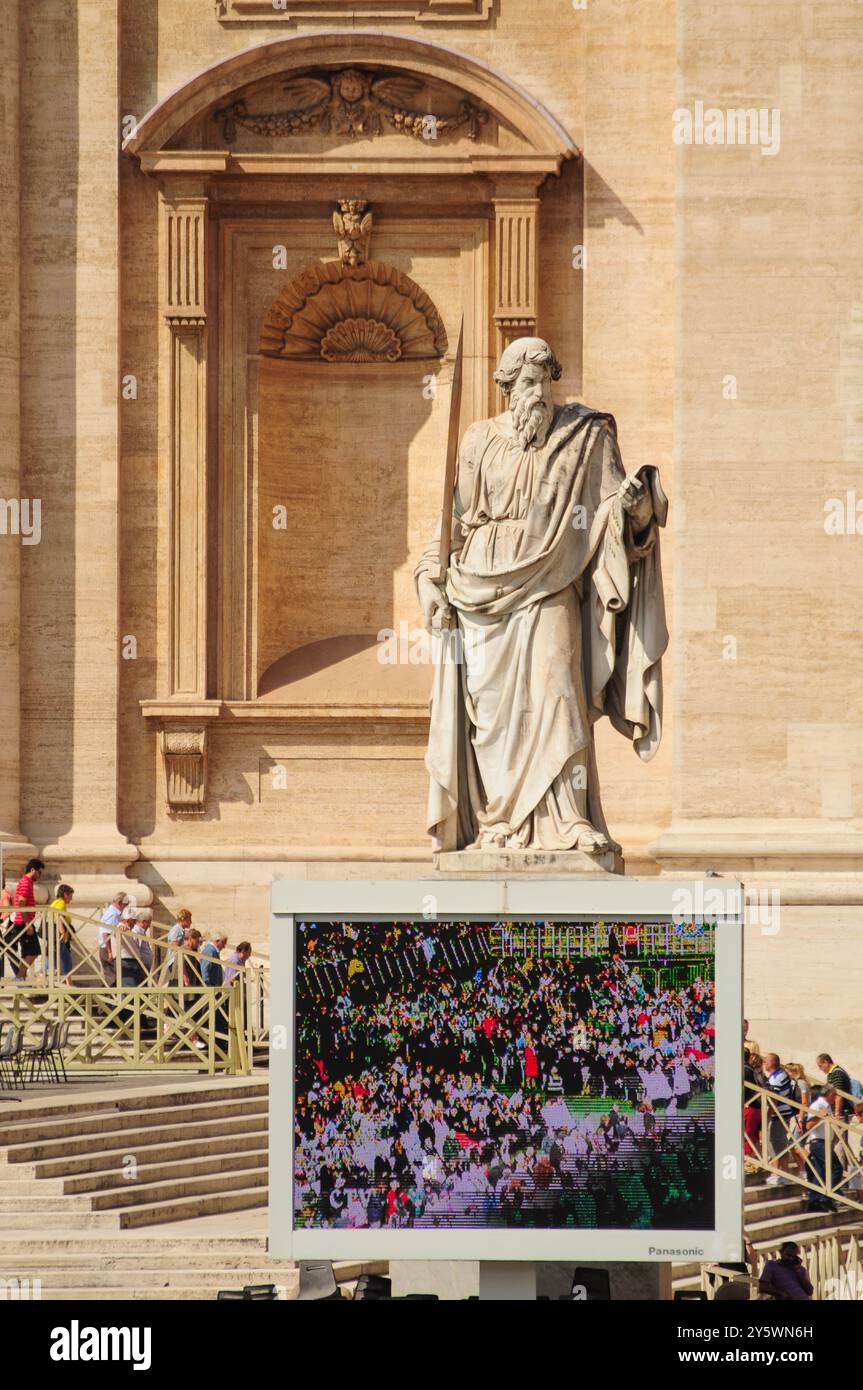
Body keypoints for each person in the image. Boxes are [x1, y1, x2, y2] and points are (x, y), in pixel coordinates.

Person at [762, 1053, 797, 1185]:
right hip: (782, 1114)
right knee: (778, 1144)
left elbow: (773, 1100)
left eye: (766, 1061)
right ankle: (781, 1173)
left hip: (778, 1115)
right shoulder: (779, 1074)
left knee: (776, 1144)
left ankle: (781, 1174)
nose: (764, 1063)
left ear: (772, 1063)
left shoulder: (776, 1077)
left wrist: (766, 1118)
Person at [9, 857, 44, 980]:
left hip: (25, 922)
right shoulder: (25, 882)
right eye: (39, 872)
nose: (40, 875)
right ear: (33, 870)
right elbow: (21, 903)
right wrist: (27, 924)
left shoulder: (28, 882)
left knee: (27, 953)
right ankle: (19, 976)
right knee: (34, 952)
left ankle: (21, 977)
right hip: (23, 923)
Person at [98, 892, 129, 986]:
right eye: (125, 904)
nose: (125, 907)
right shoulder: (113, 914)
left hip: (106, 948)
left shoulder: (112, 912)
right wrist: (110, 952)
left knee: (111, 976)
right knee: (112, 978)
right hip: (107, 949)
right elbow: (106, 934)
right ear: (120, 903)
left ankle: (107, 998)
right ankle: (107, 999)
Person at [50, 883, 76, 980]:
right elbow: (58, 916)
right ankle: (40, 973)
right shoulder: (60, 903)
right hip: (60, 936)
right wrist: (63, 933)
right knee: (63, 959)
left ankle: (69, 983)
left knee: (65, 959)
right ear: (65, 894)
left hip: (58, 935)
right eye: (70, 896)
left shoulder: (56, 902)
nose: (71, 899)